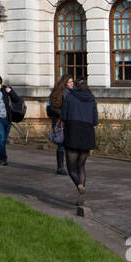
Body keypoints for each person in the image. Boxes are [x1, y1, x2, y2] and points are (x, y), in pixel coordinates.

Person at [59, 77, 98, 205]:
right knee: (81, 166)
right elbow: (95, 121)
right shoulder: (92, 99)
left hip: (73, 132)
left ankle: (80, 187)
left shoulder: (70, 97)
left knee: (71, 167)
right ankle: (82, 192)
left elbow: (63, 116)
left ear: (75, 86)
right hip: (87, 133)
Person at [45, 75, 73, 175]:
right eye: (70, 82)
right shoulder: (59, 94)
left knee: (66, 145)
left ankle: (65, 166)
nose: (72, 84)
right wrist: (63, 114)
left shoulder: (70, 93)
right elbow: (52, 108)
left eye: (72, 82)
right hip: (60, 122)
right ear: (65, 83)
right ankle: (60, 167)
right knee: (62, 144)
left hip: (67, 121)